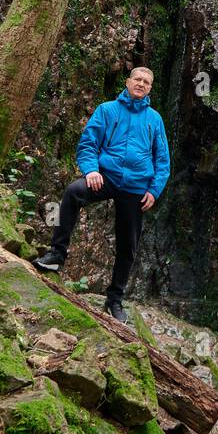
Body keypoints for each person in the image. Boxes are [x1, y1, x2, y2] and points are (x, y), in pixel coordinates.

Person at [32, 66, 170, 322]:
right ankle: (56, 254)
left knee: (128, 244)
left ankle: (115, 300)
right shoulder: (107, 110)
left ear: (150, 88)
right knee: (74, 192)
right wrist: (91, 170)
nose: (141, 84)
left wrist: (154, 190)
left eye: (146, 82)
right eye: (137, 79)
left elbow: (162, 161)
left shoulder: (155, 119)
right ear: (128, 82)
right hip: (105, 177)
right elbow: (88, 144)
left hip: (136, 187)